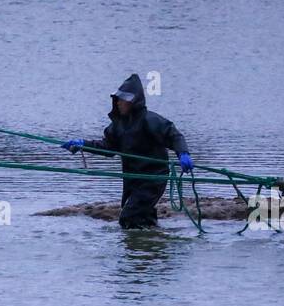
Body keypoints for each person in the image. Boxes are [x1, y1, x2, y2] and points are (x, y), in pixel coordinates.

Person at [62, 73, 193, 229]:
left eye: (123, 100)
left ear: (133, 102)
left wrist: (183, 153)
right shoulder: (118, 126)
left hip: (154, 178)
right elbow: (108, 148)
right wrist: (83, 144)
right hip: (132, 178)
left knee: (128, 217)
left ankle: (144, 249)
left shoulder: (150, 120)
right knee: (142, 215)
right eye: (117, 99)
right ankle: (155, 243)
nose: (118, 103)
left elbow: (174, 136)